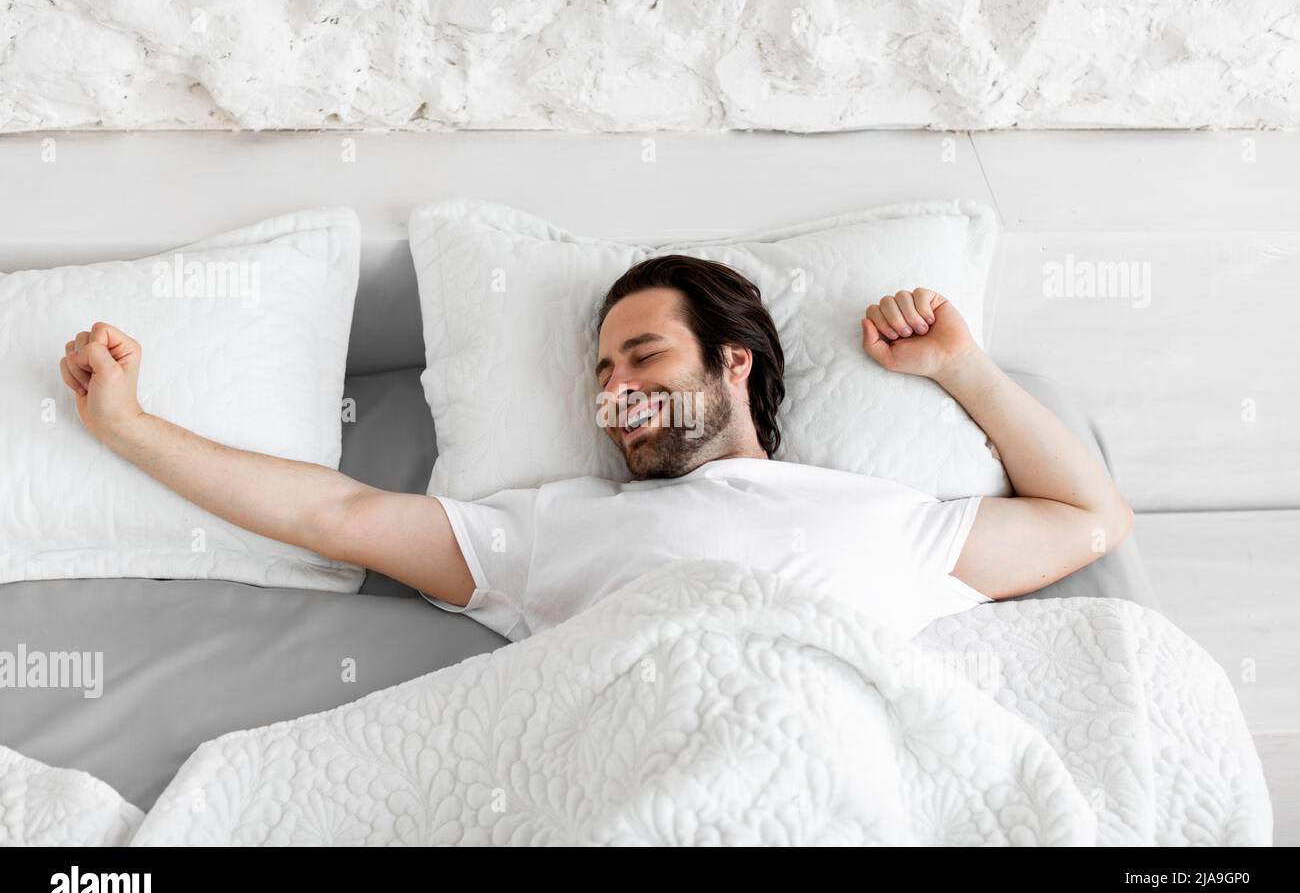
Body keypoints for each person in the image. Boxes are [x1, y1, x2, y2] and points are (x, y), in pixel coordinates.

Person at [57, 255, 1132, 641]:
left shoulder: (887, 519)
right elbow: (335, 515)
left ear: (734, 364)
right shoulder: (550, 525)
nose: (615, 390)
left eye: (644, 357)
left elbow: (1090, 519)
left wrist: (963, 370)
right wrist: (134, 428)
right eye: (603, 373)